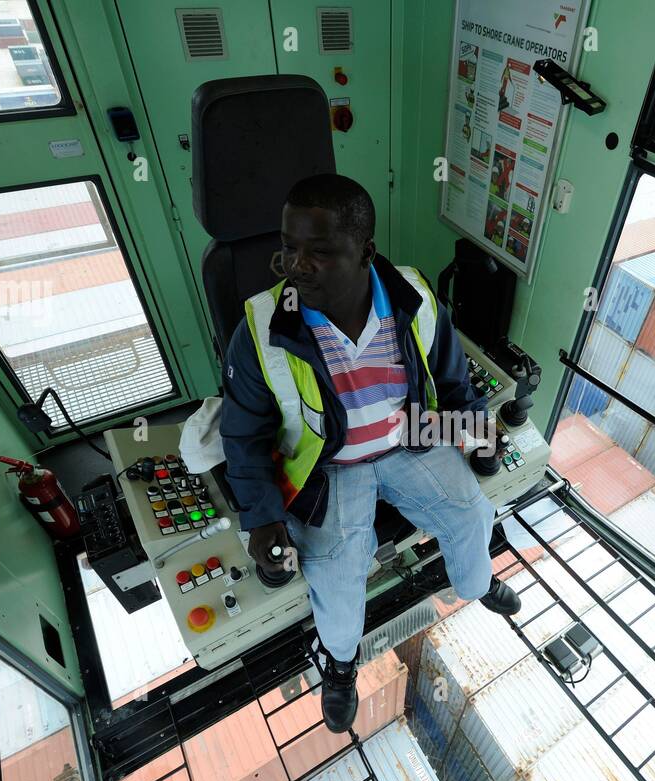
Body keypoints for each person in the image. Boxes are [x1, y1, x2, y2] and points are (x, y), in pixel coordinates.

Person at [220, 173, 522, 733]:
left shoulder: (413, 295)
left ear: (365, 252)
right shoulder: (260, 329)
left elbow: (452, 383)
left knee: (473, 512)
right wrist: (261, 518)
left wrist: (475, 427)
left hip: (409, 437)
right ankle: (339, 665)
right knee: (339, 575)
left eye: (320, 251)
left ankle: (477, 585)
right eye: (288, 248)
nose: (295, 265)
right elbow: (242, 437)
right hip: (330, 464)